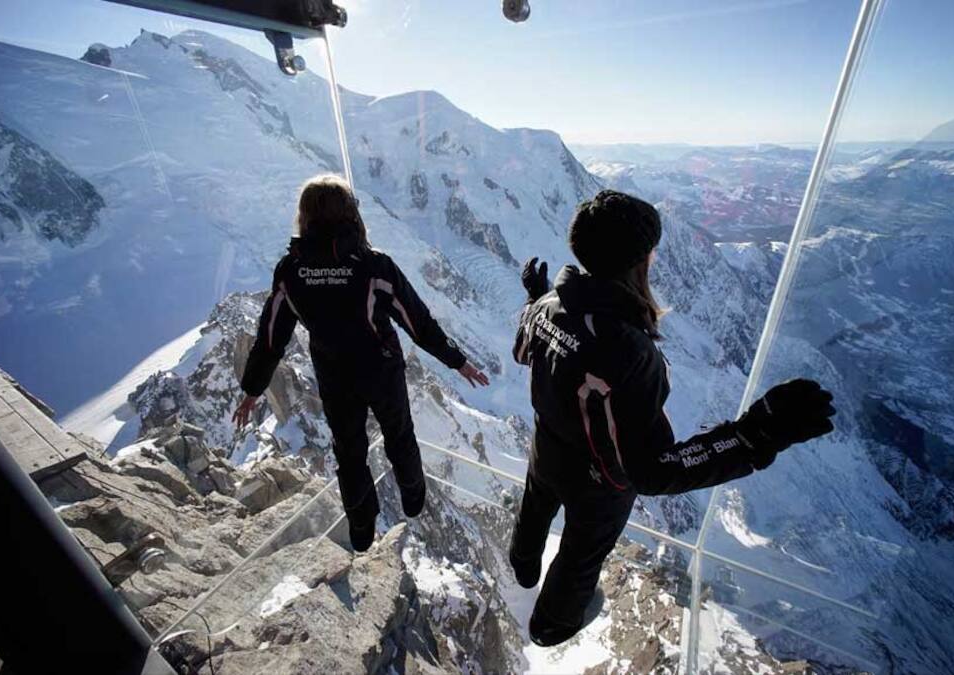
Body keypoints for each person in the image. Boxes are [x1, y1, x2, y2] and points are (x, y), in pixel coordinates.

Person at [510, 190, 836, 646]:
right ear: (641, 260)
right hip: (600, 485)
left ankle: (523, 564)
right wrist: (754, 435)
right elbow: (654, 469)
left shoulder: (546, 308)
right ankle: (552, 626)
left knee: (535, 507)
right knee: (579, 555)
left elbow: (525, 351)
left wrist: (536, 298)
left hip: (546, 450)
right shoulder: (630, 349)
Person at [233, 175, 490, 552]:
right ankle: (413, 497)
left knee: (349, 452)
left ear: (304, 218)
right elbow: (417, 321)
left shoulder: (291, 272)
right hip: (381, 369)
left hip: (335, 376)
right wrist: (457, 361)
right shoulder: (374, 267)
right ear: (350, 214)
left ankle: (361, 528)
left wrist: (253, 389)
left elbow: (272, 337)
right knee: (399, 434)